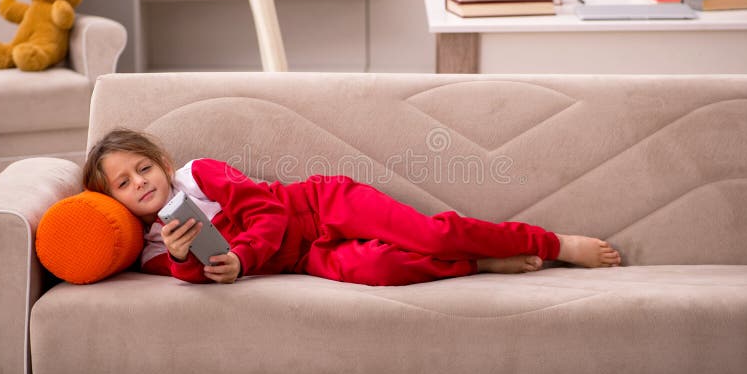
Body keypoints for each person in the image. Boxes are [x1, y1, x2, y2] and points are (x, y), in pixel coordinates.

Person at [83, 128, 621, 285]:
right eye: (125, 184)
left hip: (321, 206)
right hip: (302, 259)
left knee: (430, 235)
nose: (140, 183)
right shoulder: (152, 248)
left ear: (163, 162)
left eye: (144, 168)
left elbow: (267, 215)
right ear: (116, 202)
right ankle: (479, 265)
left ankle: (552, 244)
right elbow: (195, 277)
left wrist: (242, 258)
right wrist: (188, 262)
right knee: (379, 268)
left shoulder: (201, 174)